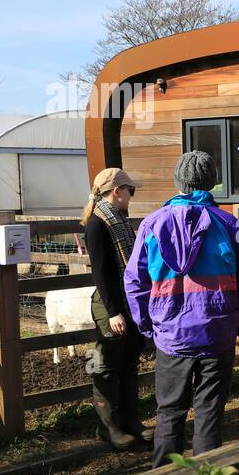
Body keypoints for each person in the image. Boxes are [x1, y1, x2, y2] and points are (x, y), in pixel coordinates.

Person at [124, 150, 239, 469]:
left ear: (178, 182)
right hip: (218, 333)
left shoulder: (151, 224)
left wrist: (148, 326)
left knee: (169, 413)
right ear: (212, 182)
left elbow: (134, 281)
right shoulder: (231, 224)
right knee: (210, 414)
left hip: (170, 336)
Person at [81, 167, 147, 450]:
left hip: (128, 299)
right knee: (106, 366)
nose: (132, 196)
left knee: (129, 364)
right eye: (129, 190)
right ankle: (109, 428)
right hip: (113, 304)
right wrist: (112, 311)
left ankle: (132, 423)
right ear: (116, 191)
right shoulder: (98, 224)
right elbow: (101, 272)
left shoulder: (118, 219)